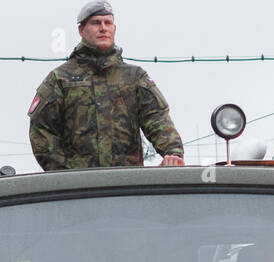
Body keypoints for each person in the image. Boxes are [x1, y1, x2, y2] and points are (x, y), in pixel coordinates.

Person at [29, 3, 185, 171]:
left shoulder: (134, 77)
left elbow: (156, 118)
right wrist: (64, 173)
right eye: (96, 23)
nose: (103, 28)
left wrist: (173, 153)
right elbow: (41, 130)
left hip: (126, 185)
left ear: (114, 29)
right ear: (81, 30)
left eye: (108, 23)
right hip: (77, 187)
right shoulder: (60, 79)